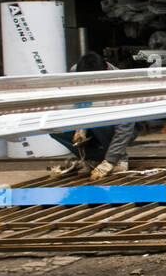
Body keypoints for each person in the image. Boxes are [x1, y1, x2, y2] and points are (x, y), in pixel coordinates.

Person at [49, 52, 139, 181]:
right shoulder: (76, 73)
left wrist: (110, 161)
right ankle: (91, 158)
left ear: (106, 71)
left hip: (117, 126)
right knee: (54, 127)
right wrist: (80, 128)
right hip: (90, 119)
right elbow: (72, 103)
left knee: (99, 120)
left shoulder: (121, 83)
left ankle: (118, 158)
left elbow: (124, 128)